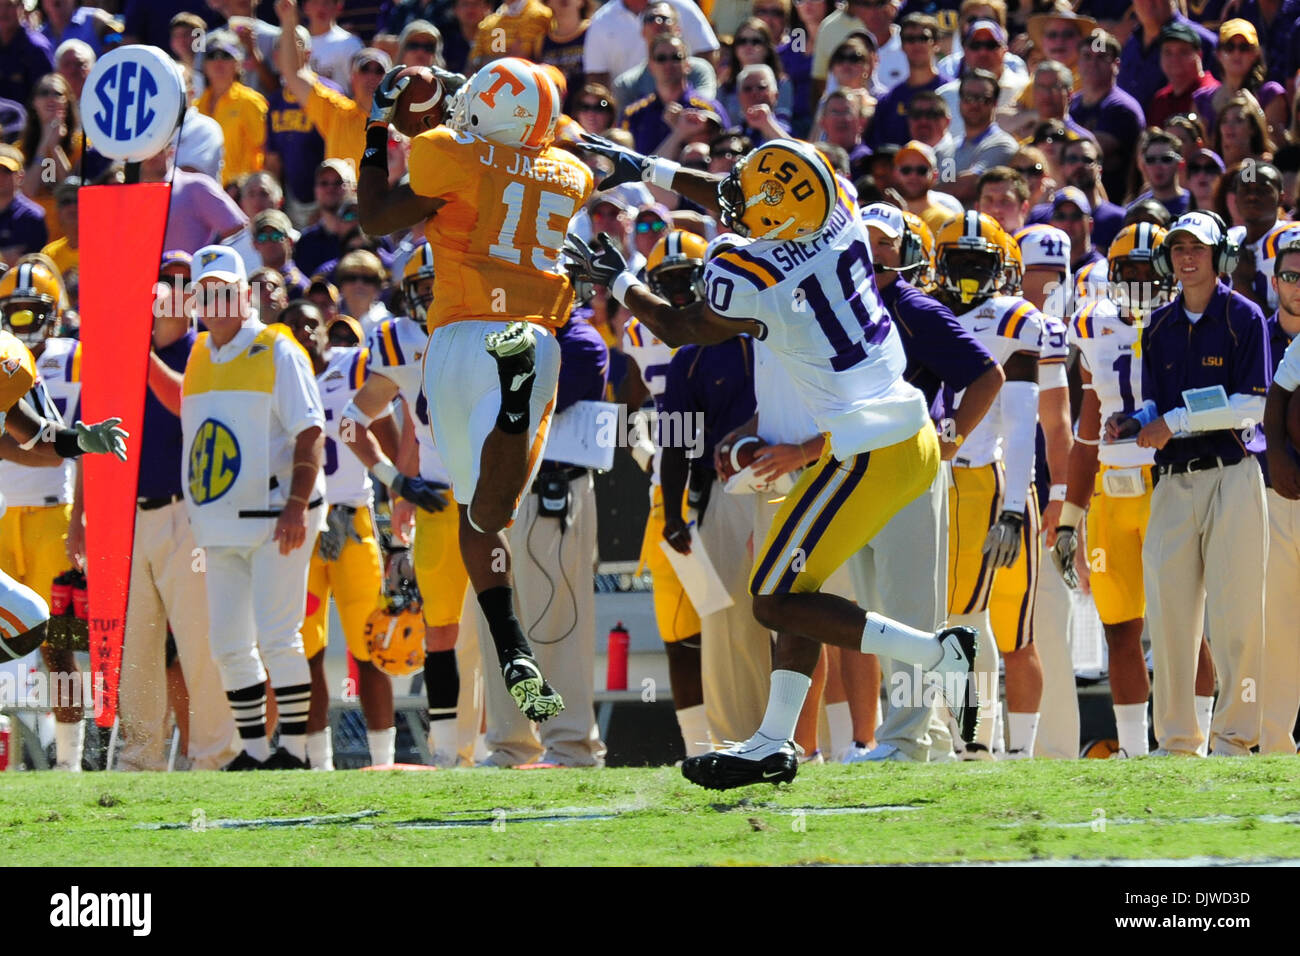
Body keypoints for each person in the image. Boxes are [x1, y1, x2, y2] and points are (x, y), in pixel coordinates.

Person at [566, 134, 980, 788]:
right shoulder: (840, 213)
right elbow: (740, 198)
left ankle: (936, 653)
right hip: (894, 431)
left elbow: (679, 328)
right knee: (798, 592)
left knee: (774, 600)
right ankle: (773, 742)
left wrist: (616, 276)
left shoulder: (754, 279)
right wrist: (651, 166)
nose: (738, 205)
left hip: (862, 450)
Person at [359, 57, 592, 724]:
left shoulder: (446, 155)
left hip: (454, 343)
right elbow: (511, 153)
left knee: (474, 510)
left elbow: (374, 214)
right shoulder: (570, 173)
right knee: (489, 513)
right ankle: (515, 405)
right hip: (524, 333)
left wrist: (379, 125)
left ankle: (511, 645)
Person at [1106, 211, 1268, 756]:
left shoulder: (1245, 317)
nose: (1186, 258)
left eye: (1196, 247)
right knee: (1170, 618)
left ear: (1219, 255)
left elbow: (1252, 405)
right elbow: (1160, 401)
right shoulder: (1157, 326)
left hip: (1233, 476)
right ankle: (1176, 742)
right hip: (1173, 480)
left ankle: (1235, 738)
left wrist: (1169, 423)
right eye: (1177, 249)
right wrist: (1135, 420)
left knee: (1234, 617)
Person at [851, 204, 1002, 762]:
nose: (873, 250)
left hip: (908, 467)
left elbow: (988, 374)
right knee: (875, 611)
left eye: (885, 242)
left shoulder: (913, 307)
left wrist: (954, 436)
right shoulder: (847, 305)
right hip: (858, 468)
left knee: (906, 610)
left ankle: (905, 739)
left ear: (907, 252)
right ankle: (930, 736)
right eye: (864, 239)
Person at [1057, 224, 1214, 757]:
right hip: (1110, 492)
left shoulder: (1190, 324)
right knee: (1120, 630)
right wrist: (1067, 518)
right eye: (1133, 272)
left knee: (1185, 628)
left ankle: (1197, 745)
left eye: (1153, 270)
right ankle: (1134, 753)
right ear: (1113, 276)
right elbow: (1084, 434)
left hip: (1170, 481)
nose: (1144, 282)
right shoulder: (1091, 326)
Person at [175, 244, 328, 770]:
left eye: (226, 291)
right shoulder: (198, 353)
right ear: (195, 299)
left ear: (245, 295)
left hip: (276, 518)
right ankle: (255, 751)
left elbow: (311, 430)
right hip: (220, 524)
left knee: (279, 636)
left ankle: (295, 751)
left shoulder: (277, 348)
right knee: (228, 644)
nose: (216, 302)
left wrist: (296, 505)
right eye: (206, 293)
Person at [926, 212, 1047, 760]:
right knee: (933, 615)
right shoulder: (919, 308)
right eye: (962, 261)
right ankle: (958, 738)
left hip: (977, 476)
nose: (972, 273)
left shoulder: (1014, 319)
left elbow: (1023, 424)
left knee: (967, 615)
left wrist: (1016, 508)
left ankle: (977, 741)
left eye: (981, 261)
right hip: (923, 475)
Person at [339, 244, 466, 765]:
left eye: (442, 288)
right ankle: (447, 750)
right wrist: (398, 482)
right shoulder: (400, 342)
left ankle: (515, 745)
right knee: (443, 631)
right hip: (440, 497)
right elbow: (350, 423)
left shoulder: (485, 330)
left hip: (497, 496)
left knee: (508, 625)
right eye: (425, 290)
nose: (434, 301)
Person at [113, 253, 238, 772]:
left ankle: (215, 755)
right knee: (135, 648)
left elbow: (188, 403)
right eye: (166, 281)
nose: (173, 290)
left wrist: (138, 360)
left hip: (190, 513)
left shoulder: (206, 350)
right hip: (127, 516)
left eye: (184, 284)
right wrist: (81, 521)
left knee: (201, 642)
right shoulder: (119, 355)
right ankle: (139, 758)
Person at [474, 302, 609, 767]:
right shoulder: (491, 330)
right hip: (495, 494)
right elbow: (432, 402)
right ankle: (511, 744)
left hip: (556, 492)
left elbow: (525, 402)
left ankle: (571, 743)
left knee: (559, 621)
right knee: (499, 622)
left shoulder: (581, 342)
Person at [282, 299, 397, 770]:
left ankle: (383, 760)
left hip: (353, 520)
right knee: (308, 649)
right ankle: (319, 765)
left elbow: (384, 423)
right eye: (295, 326)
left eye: (312, 325)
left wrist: (399, 489)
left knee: (370, 645)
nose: (306, 332)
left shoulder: (353, 365)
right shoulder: (277, 376)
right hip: (303, 524)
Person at [0, 267, 128, 672]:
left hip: (50, 509)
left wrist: (81, 440)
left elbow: (37, 435)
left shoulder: (6, 363)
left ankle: (67, 734)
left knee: (38, 623)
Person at [1259, 238, 1300, 754]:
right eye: (1291, 275)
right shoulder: (1253, 329)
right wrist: (1279, 455)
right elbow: (1267, 406)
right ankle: (1273, 741)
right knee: (1278, 622)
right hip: (1273, 491)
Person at [1069, 29, 1144, 206]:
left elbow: (1092, 150)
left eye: (1102, 57)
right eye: (1087, 56)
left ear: (1116, 64)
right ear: (1078, 63)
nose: (1093, 63)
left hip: (1114, 202)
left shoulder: (1122, 108)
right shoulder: (1073, 103)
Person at [195, 29, 268, 187]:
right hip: (204, 195)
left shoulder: (251, 102)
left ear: (238, 63)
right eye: (212, 56)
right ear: (204, 66)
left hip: (242, 195)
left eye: (226, 56)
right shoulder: (195, 107)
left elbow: (268, 153)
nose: (218, 62)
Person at [941, 68, 1017, 204]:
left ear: (995, 103)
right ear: (960, 102)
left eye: (983, 99)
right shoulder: (951, 148)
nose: (974, 104)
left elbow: (966, 188)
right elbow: (947, 184)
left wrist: (927, 191)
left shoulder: (1003, 145)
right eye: (968, 97)